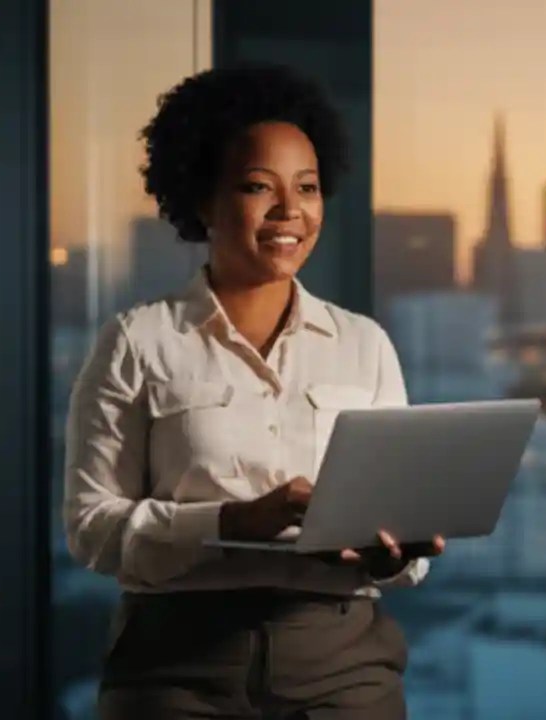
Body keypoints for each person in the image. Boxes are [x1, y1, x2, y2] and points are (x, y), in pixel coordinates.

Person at [62, 64, 445, 719]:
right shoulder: (137, 342)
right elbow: (91, 528)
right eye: (256, 187)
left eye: (308, 188)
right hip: (175, 666)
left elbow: (404, 558)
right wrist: (228, 523)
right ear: (203, 199)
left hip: (343, 665)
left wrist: (395, 556)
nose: (289, 212)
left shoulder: (364, 345)